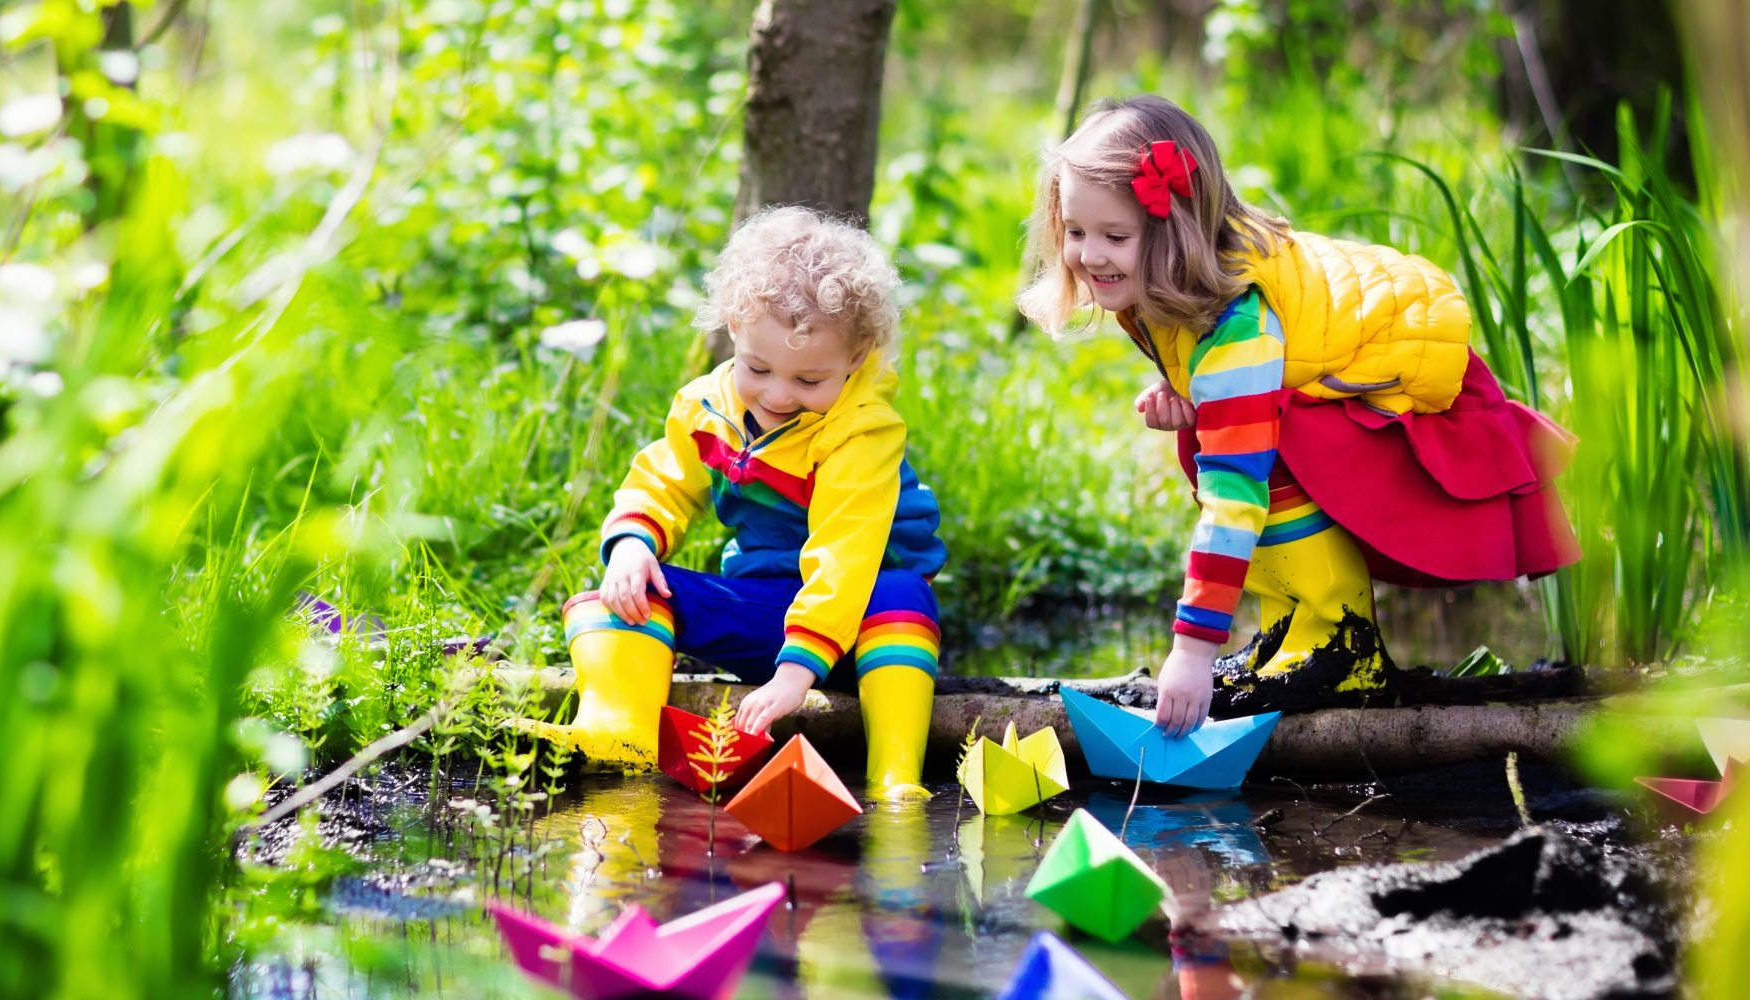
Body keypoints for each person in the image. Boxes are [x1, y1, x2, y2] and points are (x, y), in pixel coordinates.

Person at [1018, 95, 1579, 735]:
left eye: (1115, 236)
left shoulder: (1239, 324)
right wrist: (1189, 394)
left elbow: (1235, 494)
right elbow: (1219, 375)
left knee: (1256, 454)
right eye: (1076, 232)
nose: (1090, 255)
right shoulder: (1168, 283)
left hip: (1400, 387)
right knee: (1220, 435)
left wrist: (1192, 651)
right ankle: (1290, 629)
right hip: (1329, 375)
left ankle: (1340, 641)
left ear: (1177, 234)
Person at [529, 205, 946, 801]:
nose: (777, 394)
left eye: (808, 381)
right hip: (766, 615)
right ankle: (617, 739)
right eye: (759, 367)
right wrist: (631, 545)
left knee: (900, 590)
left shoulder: (862, 432)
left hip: (863, 630)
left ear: (856, 358)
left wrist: (795, 674)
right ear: (733, 328)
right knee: (629, 590)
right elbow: (665, 482)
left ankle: (894, 778)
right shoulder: (706, 406)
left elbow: (844, 556)